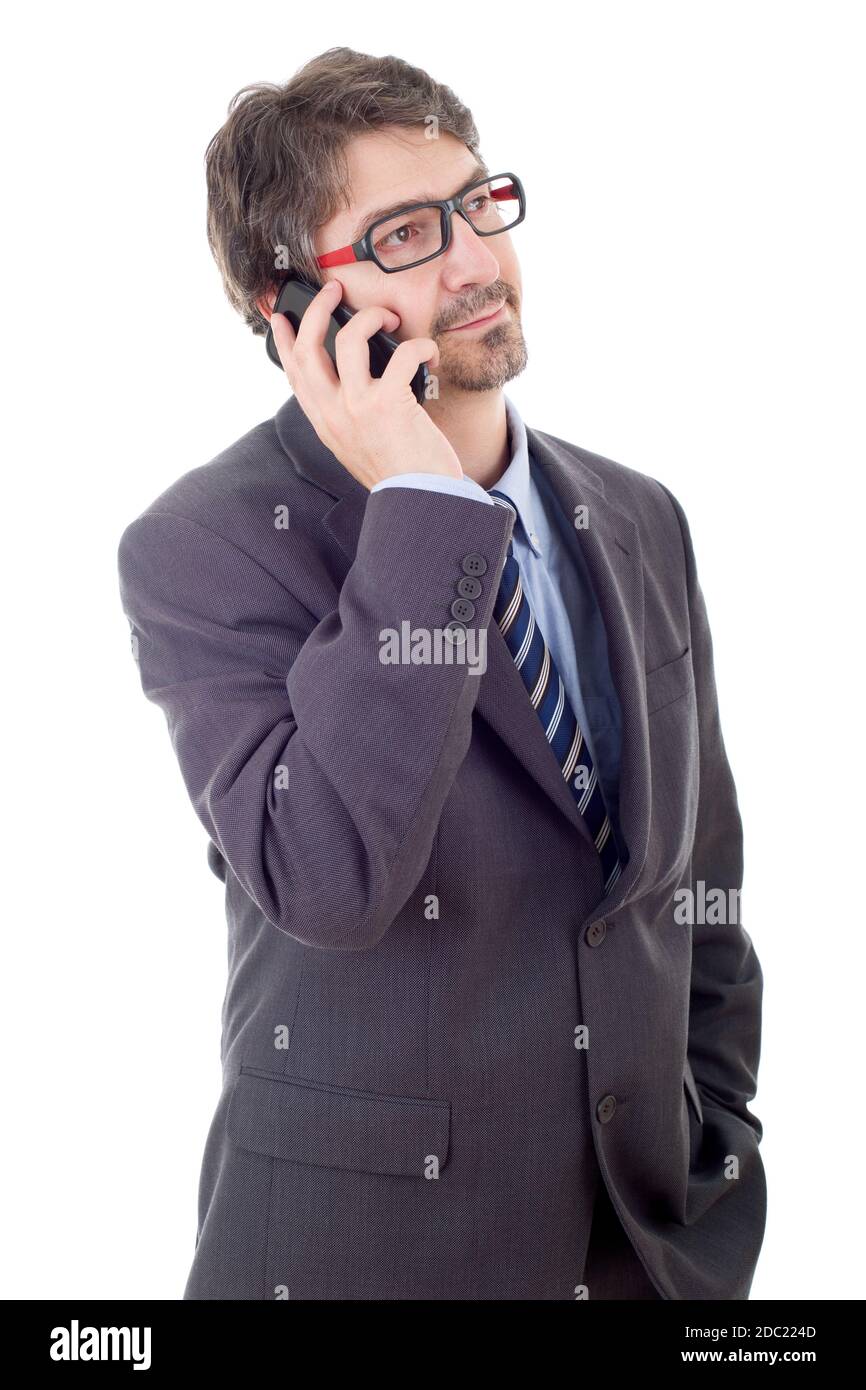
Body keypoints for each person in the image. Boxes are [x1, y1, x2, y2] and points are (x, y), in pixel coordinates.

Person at [117, 46, 766, 1301]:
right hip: (371, 1261)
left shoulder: (639, 516)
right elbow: (330, 878)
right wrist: (419, 501)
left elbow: (699, 882)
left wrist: (716, 1147)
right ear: (292, 304)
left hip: (645, 1253)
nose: (475, 260)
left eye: (478, 204)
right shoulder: (204, 547)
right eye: (407, 233)